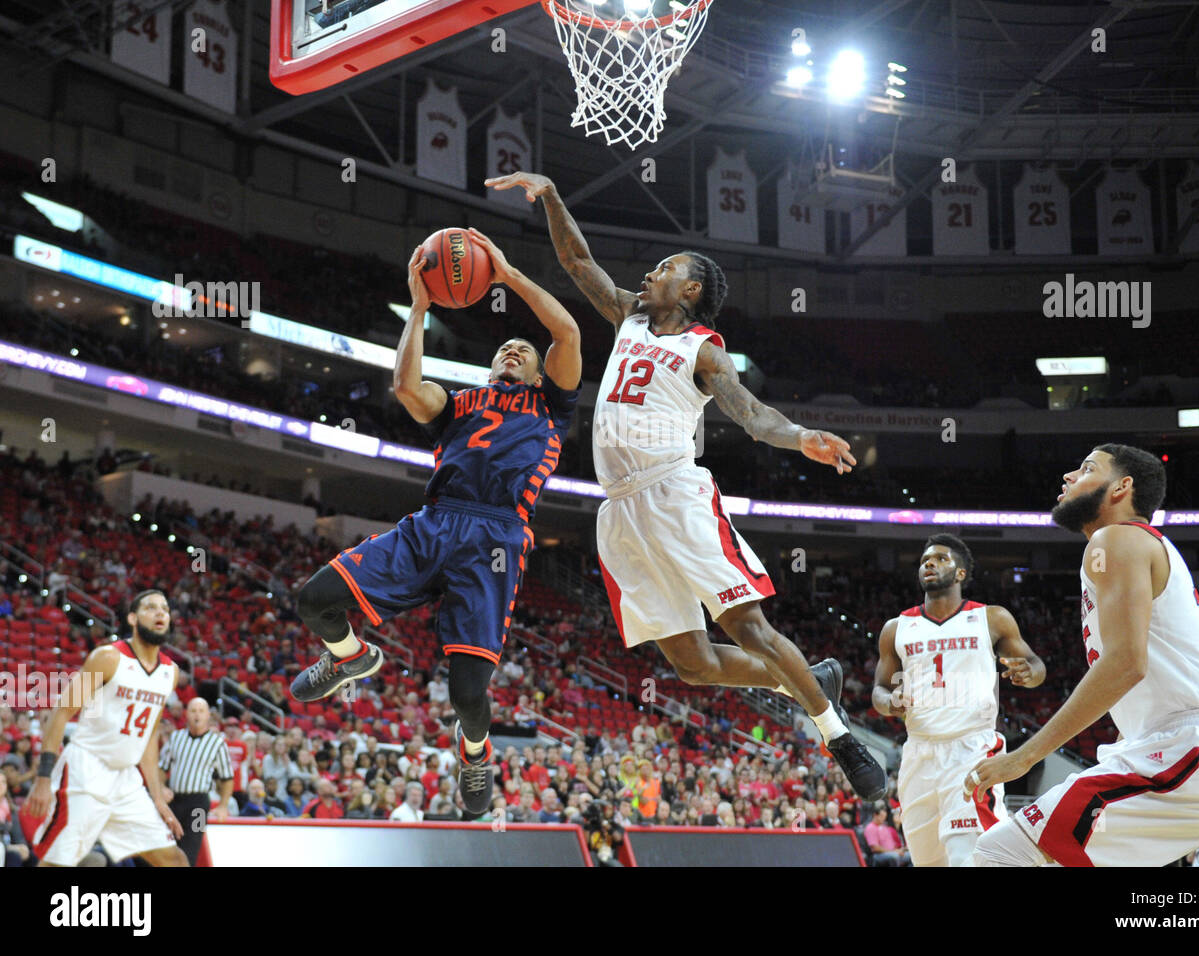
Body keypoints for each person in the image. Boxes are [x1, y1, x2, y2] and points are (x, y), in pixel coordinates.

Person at [490, 169, 884, 803]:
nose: (651, 273)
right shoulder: (628, 315)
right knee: (692, 665)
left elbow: (753, 416)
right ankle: (805, 679)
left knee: (750, 629)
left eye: (665, 267)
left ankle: (839, 736)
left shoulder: (705, 350)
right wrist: (553, 195)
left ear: (691, 288)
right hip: (618, 511)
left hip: (675, 495)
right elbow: (576, 259)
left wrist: (801, 435)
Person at [291, 232, 582, 823]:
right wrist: (420, 309)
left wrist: (505, 275)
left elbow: (567, 334)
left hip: (497, 538)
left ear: (537, 369)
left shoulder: (552, 406)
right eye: (505, 347)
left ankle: (475, 755)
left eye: (522, 349)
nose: (512, 351)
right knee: (314, 599)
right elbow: (404, 386)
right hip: (434, 523)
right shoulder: (459, 403)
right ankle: (350, 658)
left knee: (468, 694)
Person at [968, 445, 1199, 867]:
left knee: (1002, 851)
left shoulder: (1117, 538)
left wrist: (1024, 757)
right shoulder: (1131, 548)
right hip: (1190, 753)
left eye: (1087, 468)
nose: (1068, 476)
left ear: (1122, 488)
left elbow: (1126, 664)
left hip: (1192, 750)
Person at [871, 534, 1045, 867]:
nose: (930, 564)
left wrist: (1028, 673)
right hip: (918, 754)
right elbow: (878, 690)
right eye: (924, 560)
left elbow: (1036, 666)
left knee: (970, 858)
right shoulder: (896, 628)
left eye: (940, 558)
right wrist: (889, 702)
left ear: (961, 573)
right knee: (927, 862)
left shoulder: (991, 618)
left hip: (971, 749)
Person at [26, 589, 188, 866]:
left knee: (174, 859)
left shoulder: (170, 672)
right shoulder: (108, 657)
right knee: (57, 862)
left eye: (164, 608)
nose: (161, 612)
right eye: (151, 607)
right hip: (86, 771)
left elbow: (148, 737)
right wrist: (43, 778)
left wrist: (158, 797)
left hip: (126, 780)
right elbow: (61, 713)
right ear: (133, 618)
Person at [159, 696, 234, 865]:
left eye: (201, 711)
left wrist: (223, 805)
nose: (197, 715)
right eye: (193, 711)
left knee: (191, 849)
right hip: (174, 801)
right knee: (167, 848)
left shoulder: (217, 743)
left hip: (199, 803)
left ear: (208, 715)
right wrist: (161, 787)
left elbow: (227, 778)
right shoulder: (176, 738)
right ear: (186, 714)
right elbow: (161, 768)